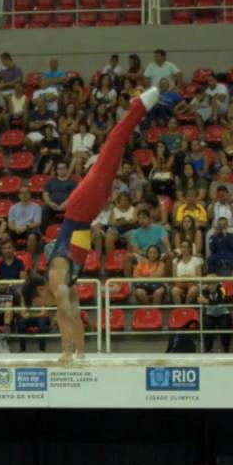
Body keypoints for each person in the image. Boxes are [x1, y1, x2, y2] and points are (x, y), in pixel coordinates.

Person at [45, 87, 158, 363]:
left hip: (83, 208)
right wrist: (75, 355)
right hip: (86, 210)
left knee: (112, 148)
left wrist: (68, 353)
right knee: (112, 149)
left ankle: (137, 108)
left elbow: (64, 313)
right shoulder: (64, 275)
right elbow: (70, 314)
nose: (42, 305)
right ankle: (137, 109)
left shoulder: (59, 273)